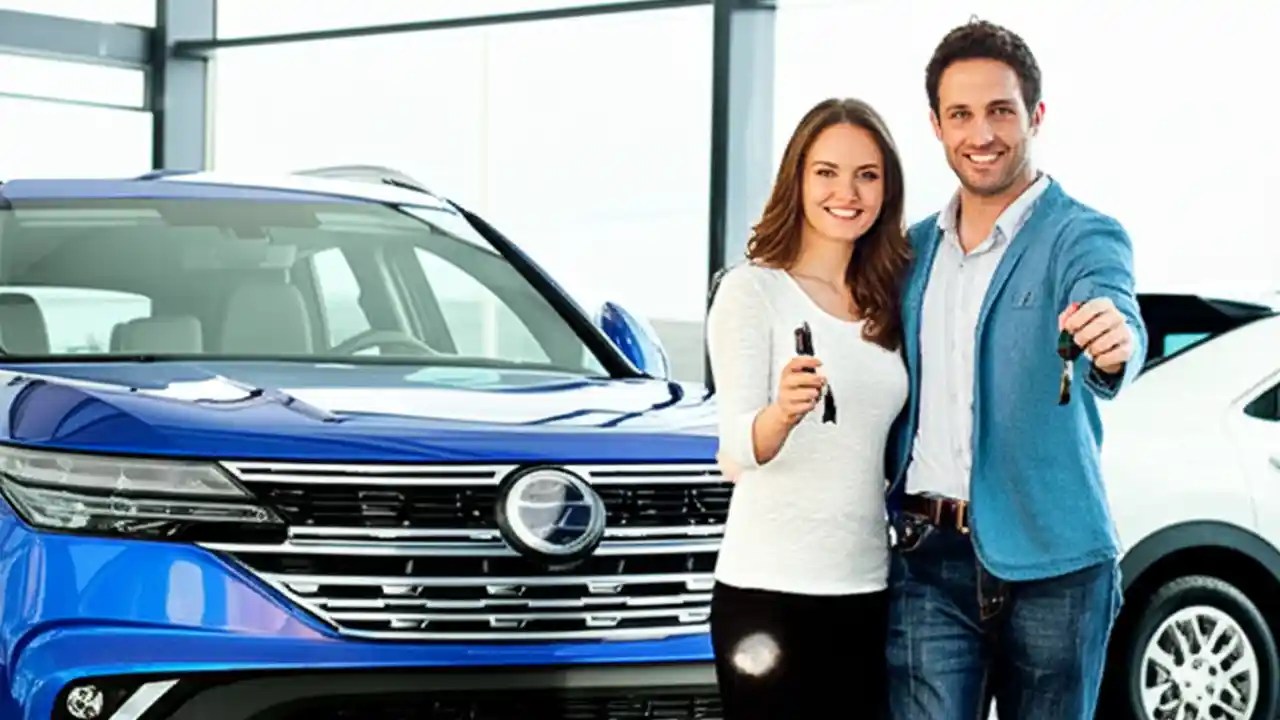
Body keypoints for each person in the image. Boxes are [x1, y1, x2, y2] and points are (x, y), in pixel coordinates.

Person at [882, 18, 1148, 720]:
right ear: (936, 125)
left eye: (1001, 111)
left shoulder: (1082, 234)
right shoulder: (910, 253)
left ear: (1035, 115)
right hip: (926, 560)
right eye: (961, 114)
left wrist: (1113, 343)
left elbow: (1113, 308)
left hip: (1055, 564)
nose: (982, 134)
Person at [705, 97, 911, 719]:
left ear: (886, 189)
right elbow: (735, 453)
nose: (846, 191)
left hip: (867, 587)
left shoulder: (887, 300)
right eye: (826, 171)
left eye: (866, 175)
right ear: (797, 178)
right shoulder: (752, 290)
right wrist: (781, 413)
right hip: (769, 591)